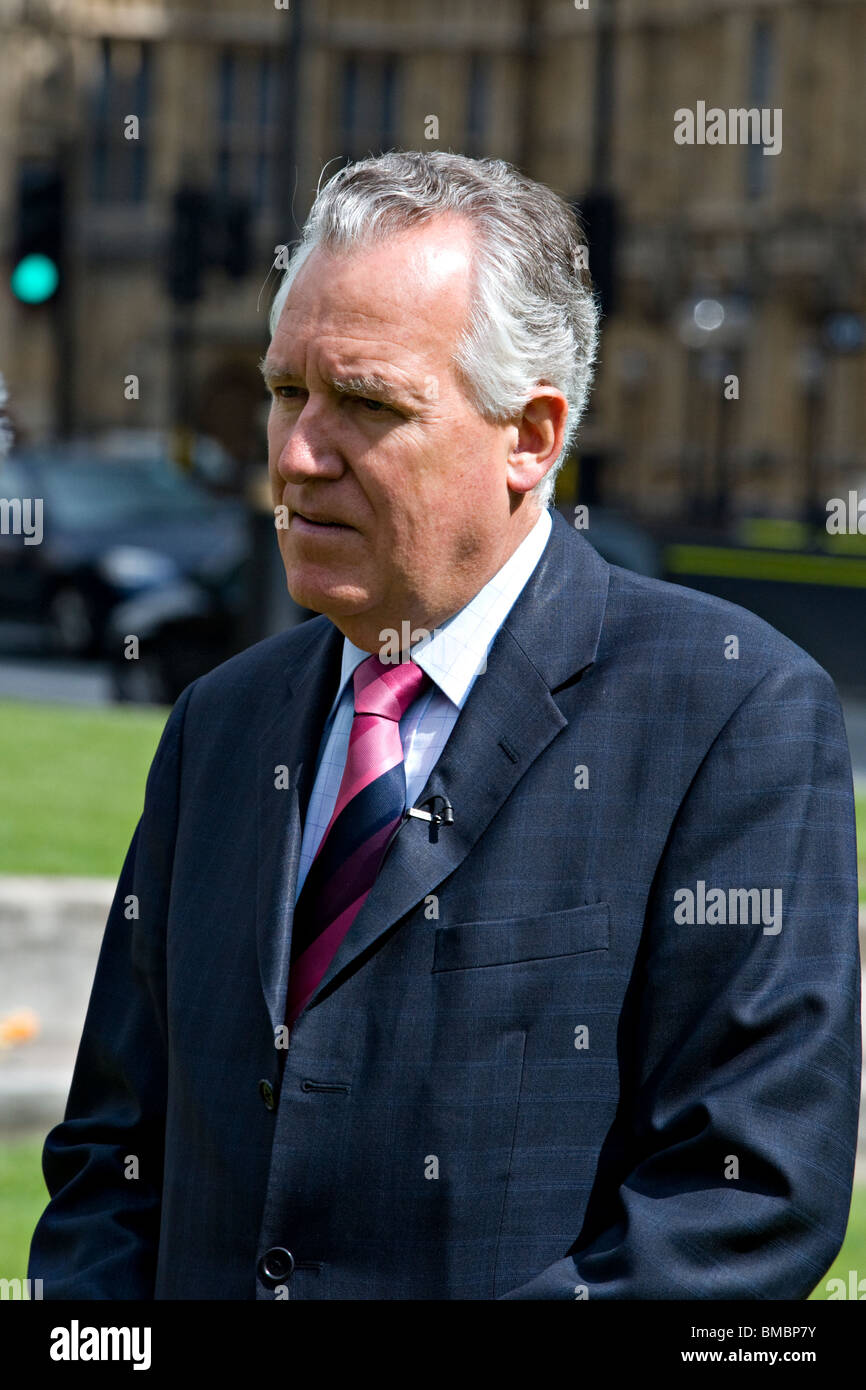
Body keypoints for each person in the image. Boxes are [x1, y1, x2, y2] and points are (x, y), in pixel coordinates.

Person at [29, 151, 860, 1300]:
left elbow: (742, 1199)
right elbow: (110, 1163)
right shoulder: (218, 725)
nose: (295, 455)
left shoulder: (728, 713)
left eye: (366, 404)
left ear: (529, 436)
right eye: (285, 393)